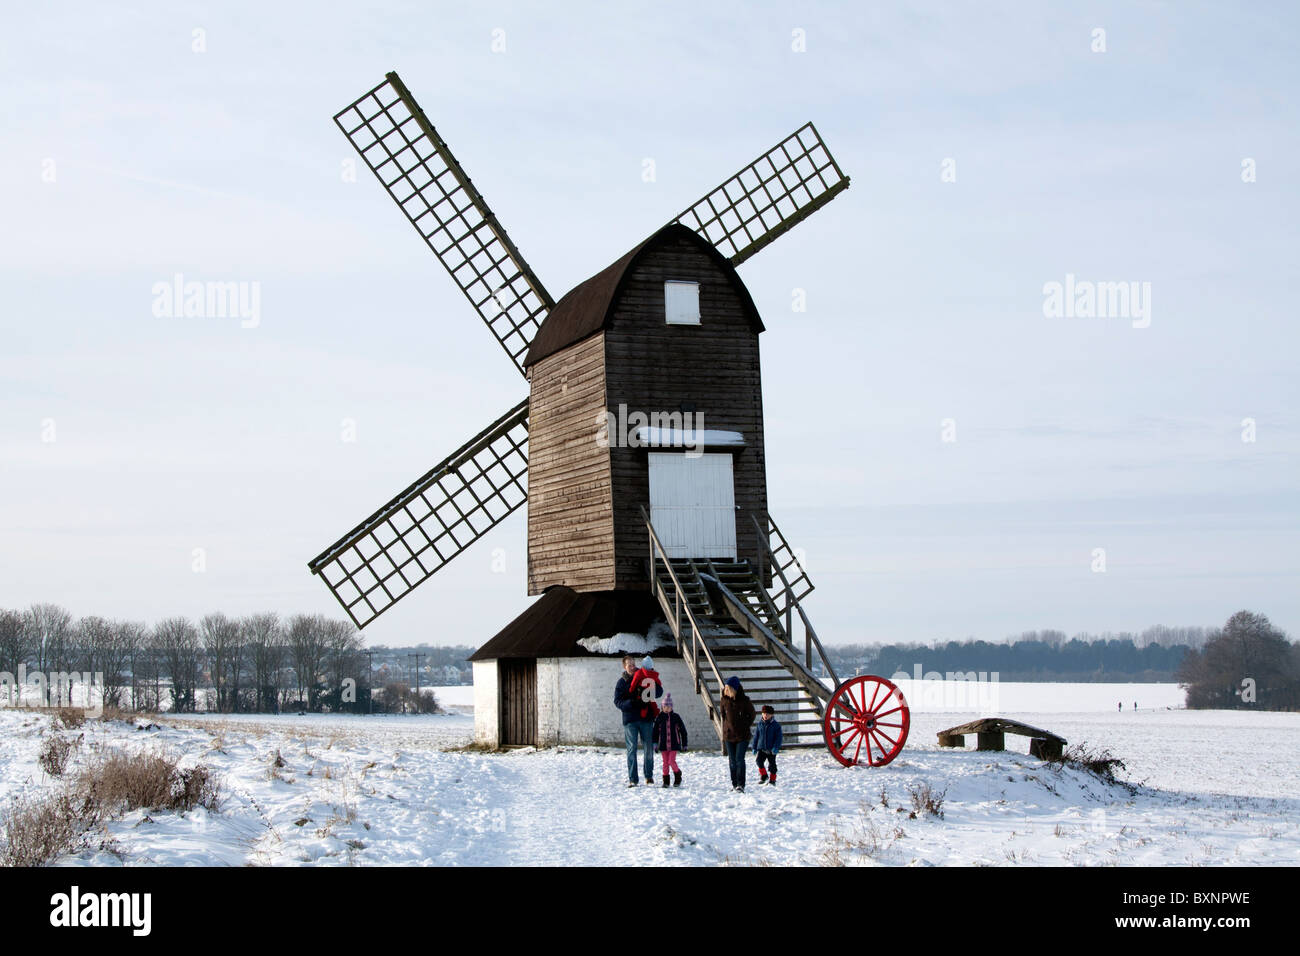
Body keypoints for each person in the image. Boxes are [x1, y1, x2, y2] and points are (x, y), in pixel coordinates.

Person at [615, 653, 661, 786]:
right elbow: (617, 701)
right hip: (630, 720)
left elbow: (658, 691)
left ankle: (649, 776)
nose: (632, 667)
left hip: (646, 718)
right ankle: (633, 779)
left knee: (648, 748)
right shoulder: (622, 682)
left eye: (634, 664)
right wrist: (631, 703)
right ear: (625, 666)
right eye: (629, 665)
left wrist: (652, 684)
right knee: (631, 749)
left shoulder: (644, 676)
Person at [719, 676, 755, 792]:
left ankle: (741, 784)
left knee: (739, 759)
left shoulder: (745, 701)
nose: (725, 691)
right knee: (732, 760)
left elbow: (752, 714)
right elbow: (723, 715)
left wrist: (744, 725)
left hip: (742, 736)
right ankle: (734, 784)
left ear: (734, 689)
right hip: (729, 735)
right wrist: (726, 728)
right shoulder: (724, 701)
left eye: (728, 689)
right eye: (725, 689)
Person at [652, 692, 688, 787]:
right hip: (663, 744)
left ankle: (677, 775)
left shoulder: (676, 717)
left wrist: (684, 744)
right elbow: (655, 732)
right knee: (665, 763)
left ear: (672, 707)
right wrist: (655, 743)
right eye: (665, 707)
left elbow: (683, 731)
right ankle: (666, 781)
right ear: (662, 707)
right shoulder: (659, 718)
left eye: (669, 707)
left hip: (674, 744)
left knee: (671, 761)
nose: (667, 709)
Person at [751, 704, 783, 785]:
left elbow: (778, 738)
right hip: (761, 748)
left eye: (767, 714)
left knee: (772, 765)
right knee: (759, 761)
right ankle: (764, 775)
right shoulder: (760, 724)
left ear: (771, 715)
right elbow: (756, 736)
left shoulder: (776, 725)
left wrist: (776, 747)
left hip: (771, 749)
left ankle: (772, 779)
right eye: (764, 713)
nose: (765, 715)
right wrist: (754, 747)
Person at [626, 655, 663, 722]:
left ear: (642, 666)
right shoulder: (654, 674)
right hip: (650, 692)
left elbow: (634, 681)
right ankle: (656, 712)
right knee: (653, 703)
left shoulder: (639, 673)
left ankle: (644, 713)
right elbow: (658, 682)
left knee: (643, 704)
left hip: (642, 692)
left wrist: (631, 689)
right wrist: (659, 685)